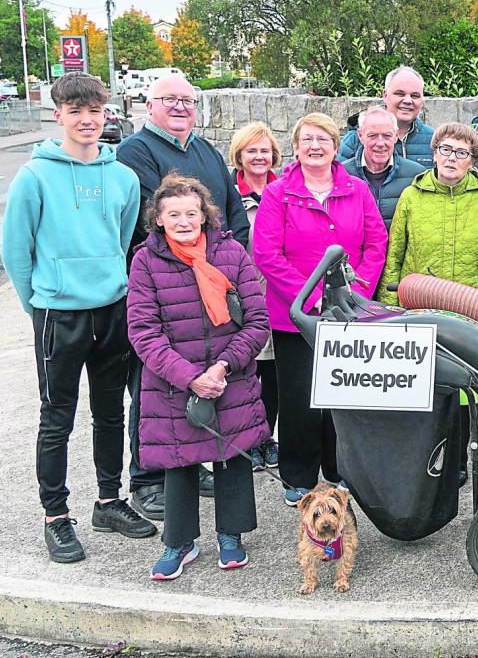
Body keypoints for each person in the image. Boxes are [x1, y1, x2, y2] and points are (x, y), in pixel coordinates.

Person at [2, 72, 155, 563]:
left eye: (95, 111)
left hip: (111, 309)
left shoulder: (122, 177)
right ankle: (56, 516)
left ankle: (109, 501)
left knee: (110, 412)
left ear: (106, 113)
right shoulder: (34, 176)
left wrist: (113, 286)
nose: (87, 120)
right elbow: (16, 252)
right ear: (59, 115)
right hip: (58, 313)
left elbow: (121, 236)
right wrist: (39, 304)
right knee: (57, 419)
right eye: (75, 112)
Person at [117, 73, 250, 519]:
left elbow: (229, 208)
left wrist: (227, 256)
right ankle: (148, 479)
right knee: (156, 393)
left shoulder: (203, 148)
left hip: (214, 278)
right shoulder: (135, 151)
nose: (179, 107)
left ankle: (197, 459)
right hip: (169, 284)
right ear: (149, 105)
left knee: (212, 384)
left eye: (186, 100)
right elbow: (154, 218)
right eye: (169, 99)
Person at [126, 174, 271, 580]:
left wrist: (223, 367)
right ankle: (179, 542)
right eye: (174, 214)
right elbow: (142, 331)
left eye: (191, 213)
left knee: (233, 454)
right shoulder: (145, 261)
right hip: (173, 381)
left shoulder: (232, 254)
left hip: (229, 374)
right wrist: (190, 378)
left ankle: (231, 535)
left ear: (204, 214)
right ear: (158, 218)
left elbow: (257, 321)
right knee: (179, 459)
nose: (184, 221)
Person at [253, 113, 388, 505]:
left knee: (342, 398)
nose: (315, 147)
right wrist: (313, 297)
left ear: (335, 146)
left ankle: (340, 470)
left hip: (347, 312)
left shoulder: (357, 189)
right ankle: (299, 477)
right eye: (307, 139)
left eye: (323, 140)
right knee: (300, 399)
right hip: (296, 317)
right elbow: (266, 253)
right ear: (295, 146)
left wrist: (352, 291)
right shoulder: (279, 193)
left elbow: (375, 243)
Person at [378, 123, 478, 305]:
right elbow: (394, 256)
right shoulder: (412, 195)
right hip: (418, 302)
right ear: (434, 154)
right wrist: (390, 309)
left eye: (462, 153)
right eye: (445, 149)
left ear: (472, 161)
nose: (452, 158)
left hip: (469, 305)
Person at [227, 122, 283, 472]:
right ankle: (247, 438)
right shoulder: (231, 194)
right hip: (242, 295)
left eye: (264, 150)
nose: (259, 156)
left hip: (278, 294)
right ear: (240, 155)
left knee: (274, 374)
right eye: (252, 150)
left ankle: (267, 437)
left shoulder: (286, 190)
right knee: (246, 372)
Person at [340, 106, 425, 226]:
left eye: (387, 136)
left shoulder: (416, 175)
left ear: (396, 136)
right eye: (372, 136)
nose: (380, 143)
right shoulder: (341, 174)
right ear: (360, 136)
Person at [337, 65, 434, 168]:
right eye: (400, 94)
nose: (407, 101)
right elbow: (336, 177)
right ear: (385, 95)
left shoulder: (433, 140)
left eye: (415, 96)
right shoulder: (354, 140)